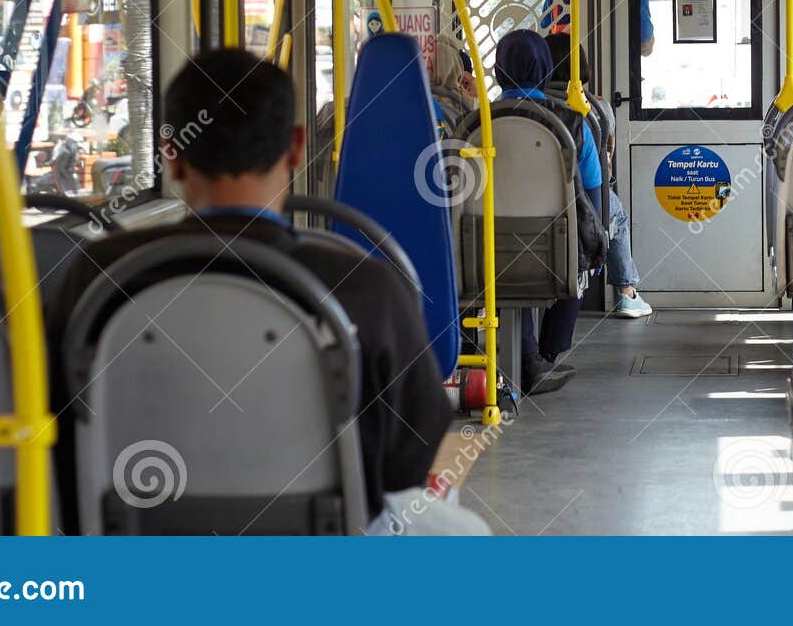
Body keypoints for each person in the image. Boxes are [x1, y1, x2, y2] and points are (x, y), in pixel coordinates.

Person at [50, 49, 479, 535]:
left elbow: (58, 439)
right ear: (296, 147)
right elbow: (407, 457)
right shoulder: (365, 287)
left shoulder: (99, 275)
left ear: (171, 154)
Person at [495, 30, 607, 394]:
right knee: (578, 246)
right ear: (545, 70)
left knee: (509, 254)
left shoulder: (479, 119)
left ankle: (528, 358)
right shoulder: (573, 121)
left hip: (486, 245)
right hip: (556, 244)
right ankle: (548, 352)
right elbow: (593, 187)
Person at [547, 33, 651, 318]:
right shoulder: (597, 109)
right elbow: (605, 166)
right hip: (580, 205)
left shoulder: (518, 110)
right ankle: (626, 292)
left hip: (526, 207)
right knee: (616, 212)